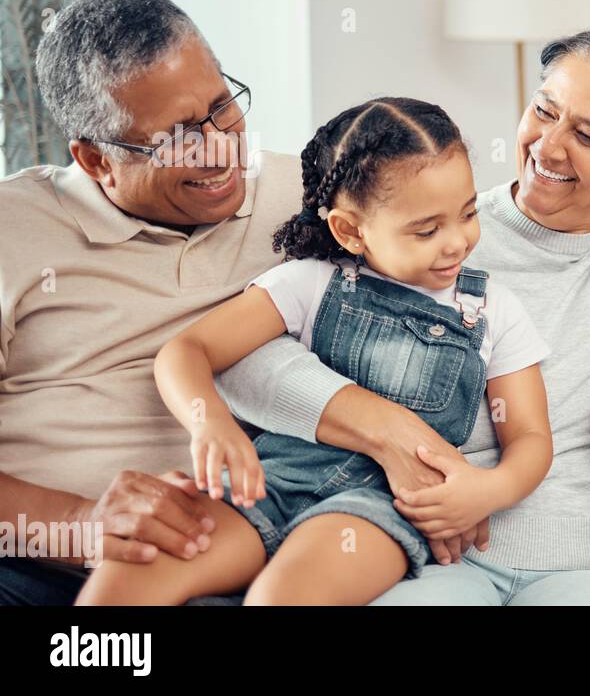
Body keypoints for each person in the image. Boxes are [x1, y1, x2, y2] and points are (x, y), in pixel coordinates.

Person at [216, 27, 590, 605]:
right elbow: (249, 350)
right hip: (441, 543)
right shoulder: (430, 226)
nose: (547, 148)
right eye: (543, 111)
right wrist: (384, 429)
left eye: (588, 137)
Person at [76, 98, 553, 605]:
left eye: (468, 213)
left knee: (282, 597)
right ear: (350, 231)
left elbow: (528, 435)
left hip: (379, 509)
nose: (457, 242)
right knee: (131, 574)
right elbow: (186, 351)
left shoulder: (492, 308)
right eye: (426, 230)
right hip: (269, 480)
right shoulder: (309, 283)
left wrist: (488, 490)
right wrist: (209, 422)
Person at [0, 0, 301, 604]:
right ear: (95, 161)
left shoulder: (308, 197)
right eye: (175, 138)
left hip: (230, 559)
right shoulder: (13, 231)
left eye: (222, 107)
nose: (218, 149)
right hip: (34, 571)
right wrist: (79, 522)